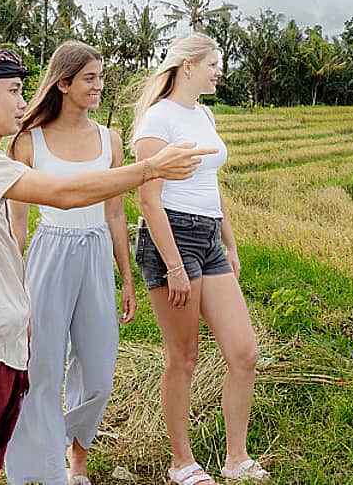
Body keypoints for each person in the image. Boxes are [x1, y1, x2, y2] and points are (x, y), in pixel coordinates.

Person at [0, 47, 214, 485]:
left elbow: (7, 248)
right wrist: (149, 168)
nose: (22, 103)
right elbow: (63, 194)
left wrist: (21, 312)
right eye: (13, 92)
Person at [131, 33, 267, 485]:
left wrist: (229, 240)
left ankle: (236, 460)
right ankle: (181, 463)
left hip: (208, 238)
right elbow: (148, 201)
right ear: (187, 66)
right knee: (183, 357)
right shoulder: (157, 119)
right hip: (171, 237)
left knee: (244, 352)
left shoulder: (204, 115)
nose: (218, 71)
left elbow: (210, 184)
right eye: (212, 63)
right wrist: (173, 266)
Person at [3, 42, 135, 485]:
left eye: (100, 77)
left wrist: (126, 279)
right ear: (63, 83)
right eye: (90, 78)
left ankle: (76, 454)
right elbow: (17, 226)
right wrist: (13, 285)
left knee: (98, 371)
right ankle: (39, 470)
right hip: (49, 254)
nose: (100, 85)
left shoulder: (109, 140)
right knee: (41, 367)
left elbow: (116, 213)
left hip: (97, 253)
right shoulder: (28, 142)